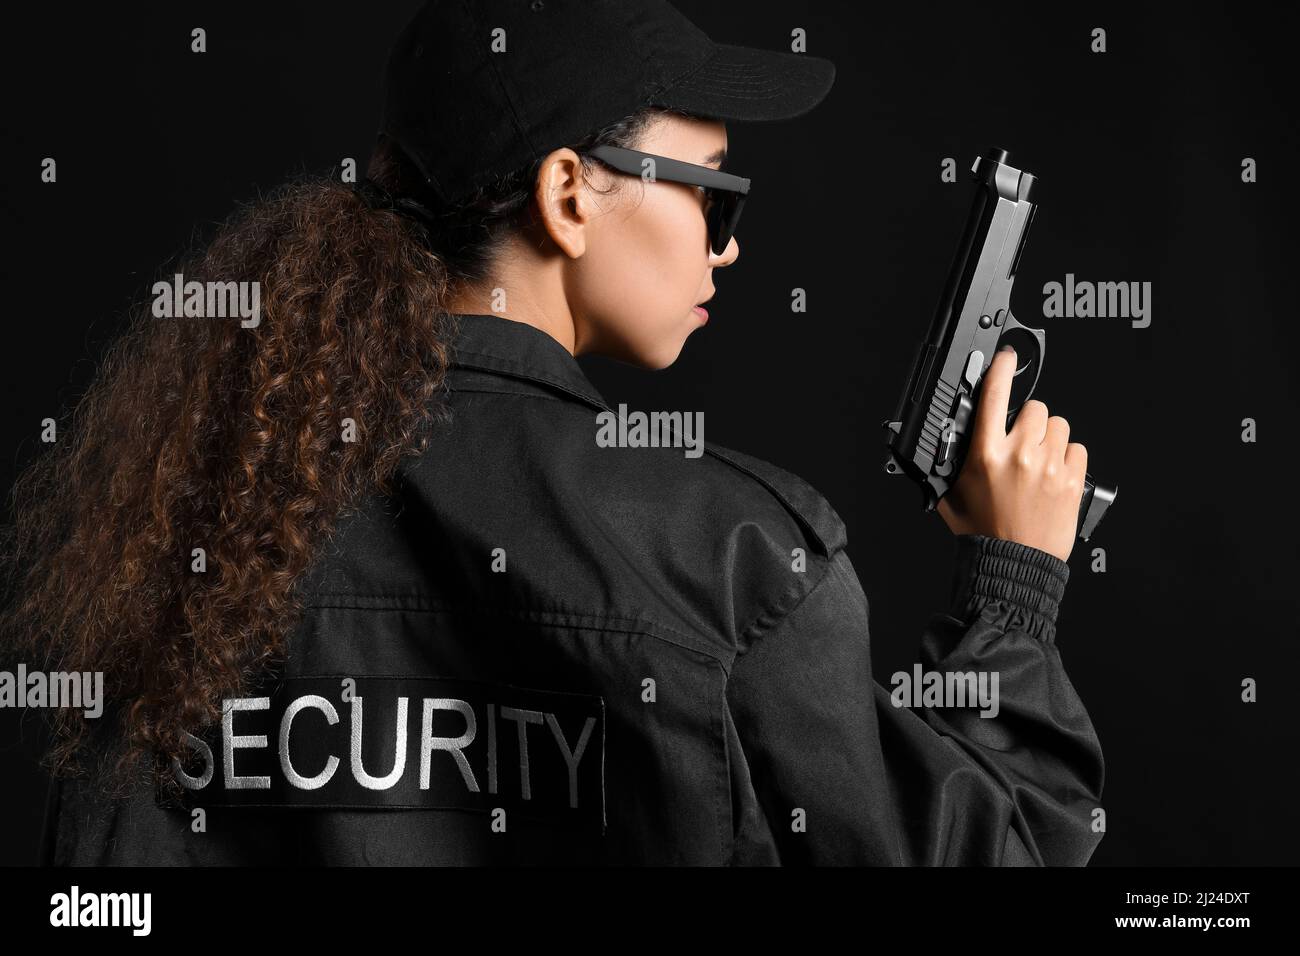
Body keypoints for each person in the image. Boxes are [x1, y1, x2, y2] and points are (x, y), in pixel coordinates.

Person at [5, 0, 1103, 866]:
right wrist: (1015, 589)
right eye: (715, 201)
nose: (728, 250)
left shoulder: (187, 535)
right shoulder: (739, 560)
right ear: (569, 193)